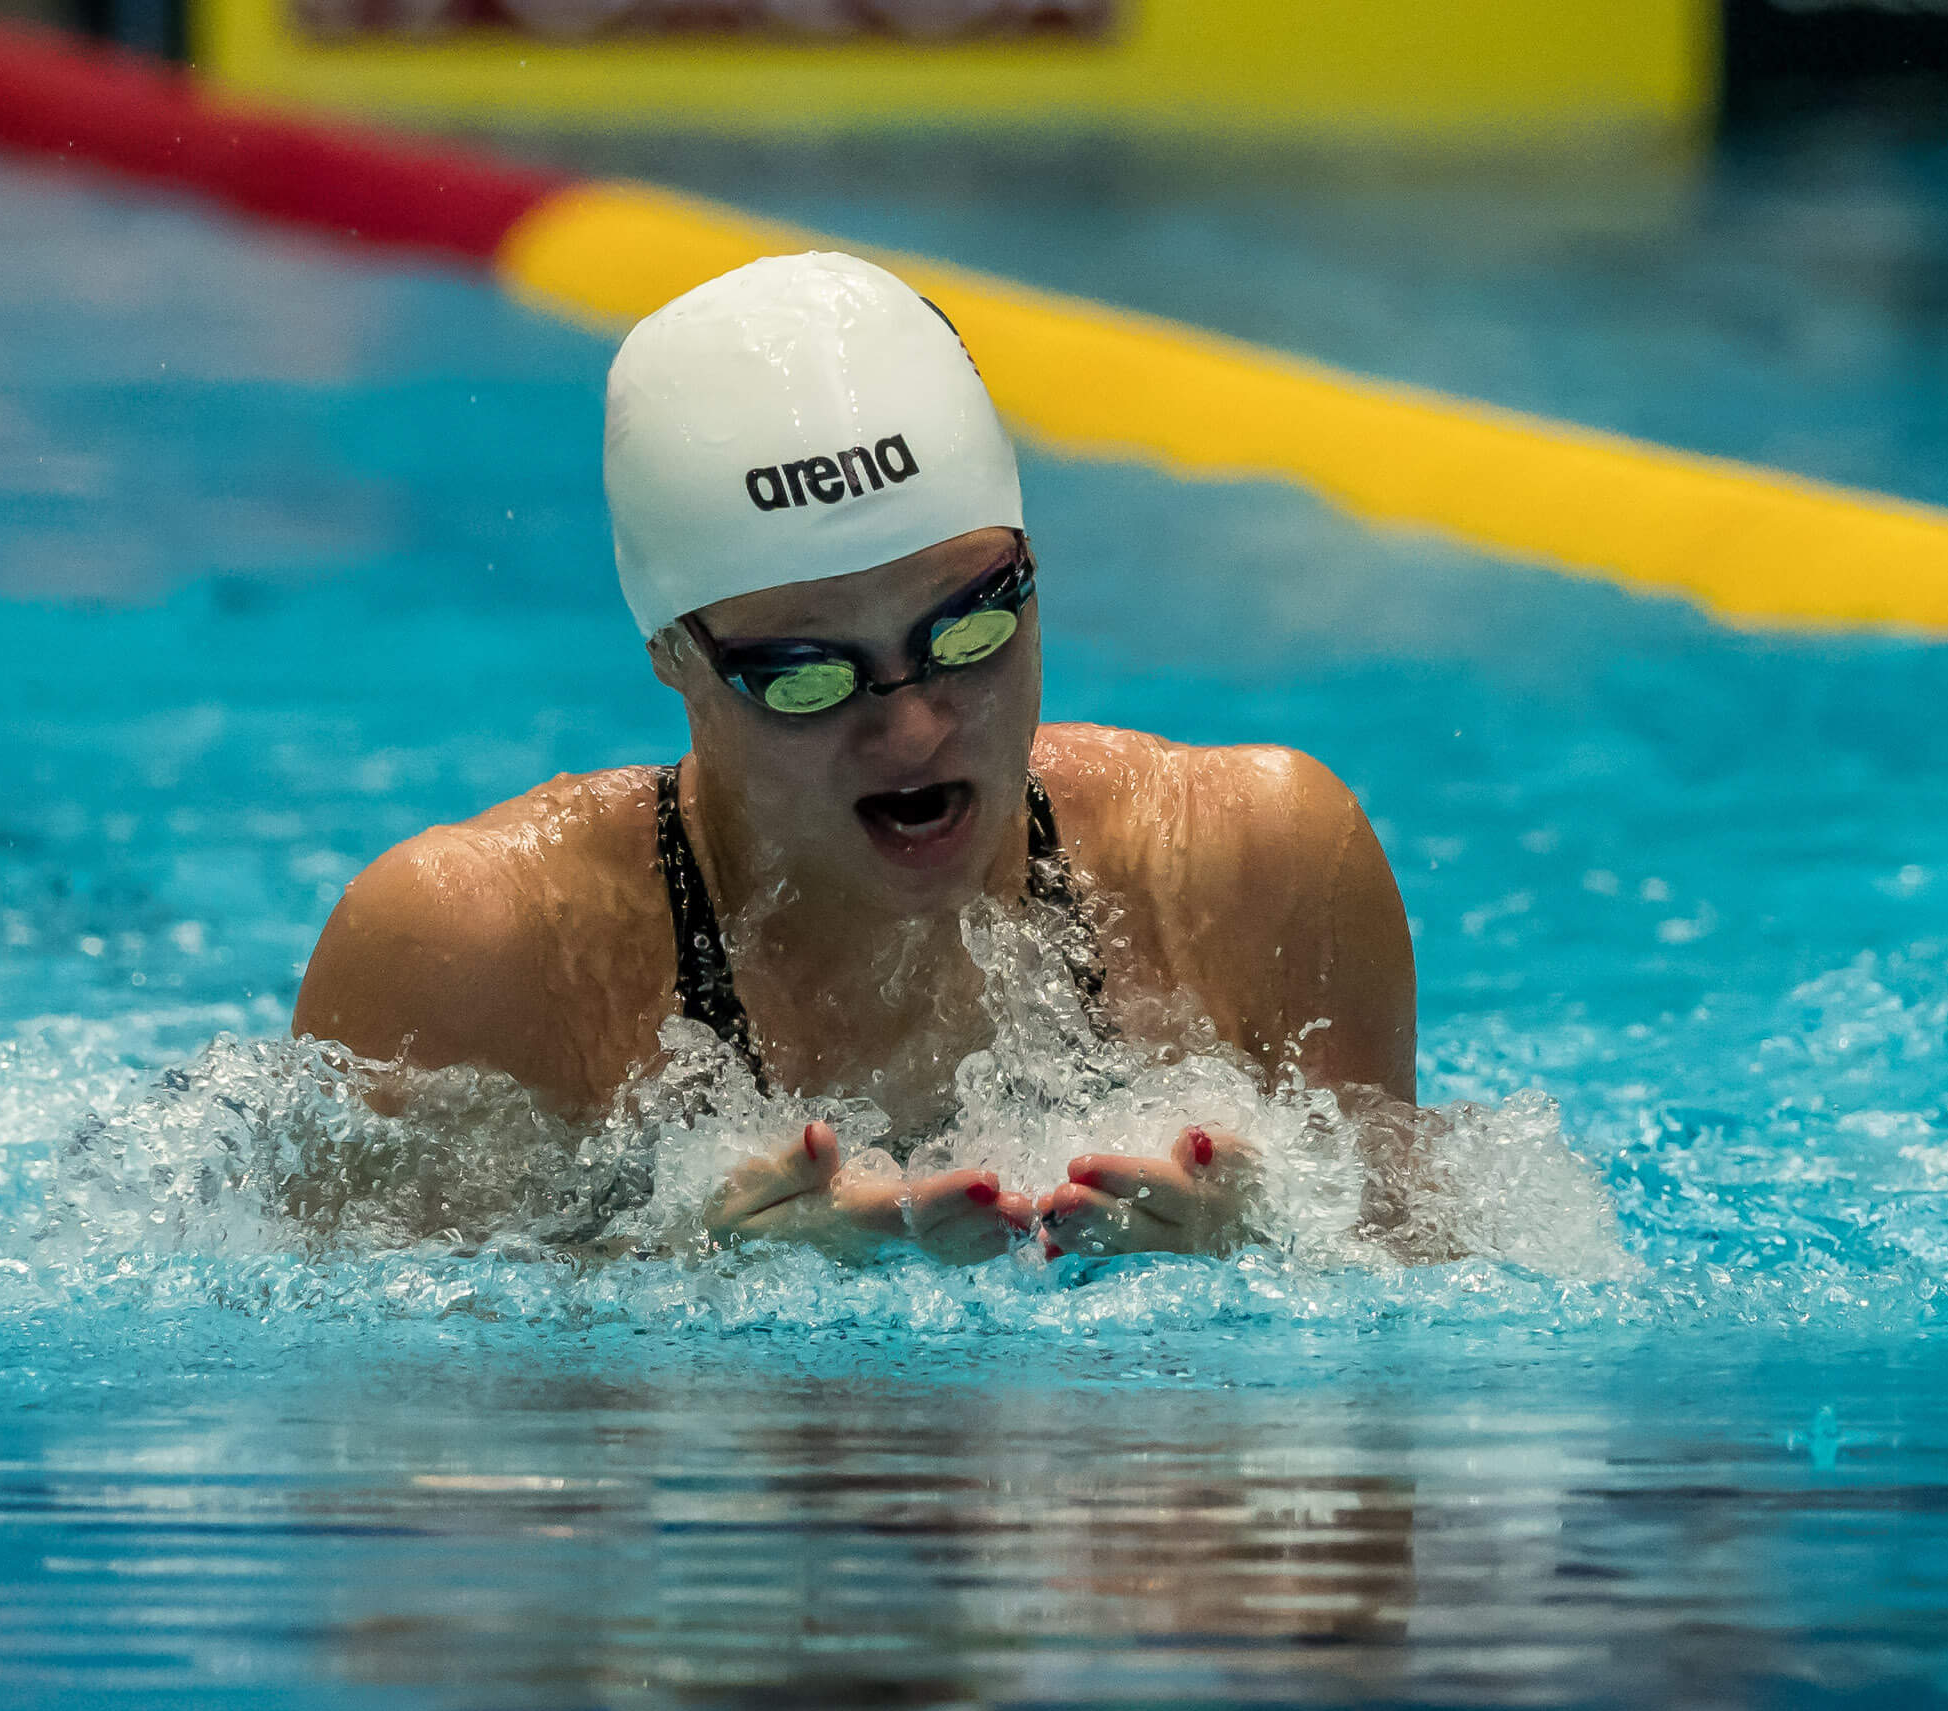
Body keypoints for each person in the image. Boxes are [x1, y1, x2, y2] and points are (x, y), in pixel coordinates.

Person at [293, 251, 1414, 1263]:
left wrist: (1278, 1240)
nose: (916, 729)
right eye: (807, 677)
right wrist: (680, 1278)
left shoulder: (1252, 867)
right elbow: (357, 1404)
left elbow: (1439, 1294)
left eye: (969, 631)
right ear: (674, 658)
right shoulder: (477, 952)